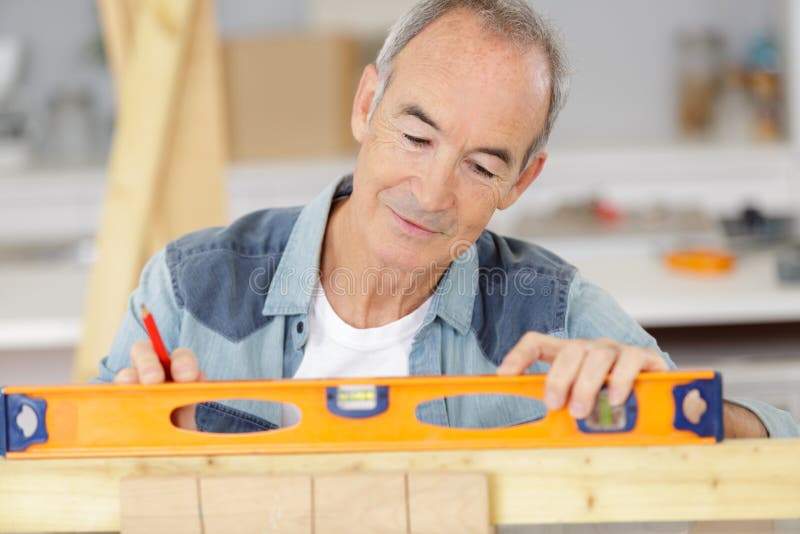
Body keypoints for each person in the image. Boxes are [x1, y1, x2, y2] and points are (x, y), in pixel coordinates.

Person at [96, 0, 797, 438]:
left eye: (482, 166)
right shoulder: (189, 291)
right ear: (367, 104)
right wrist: (125, 444)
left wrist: (666, 408)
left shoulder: (554, 316)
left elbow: (779, 456)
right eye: (416, 136)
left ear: (521, 182)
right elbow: (54, 482)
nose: (431, 193)